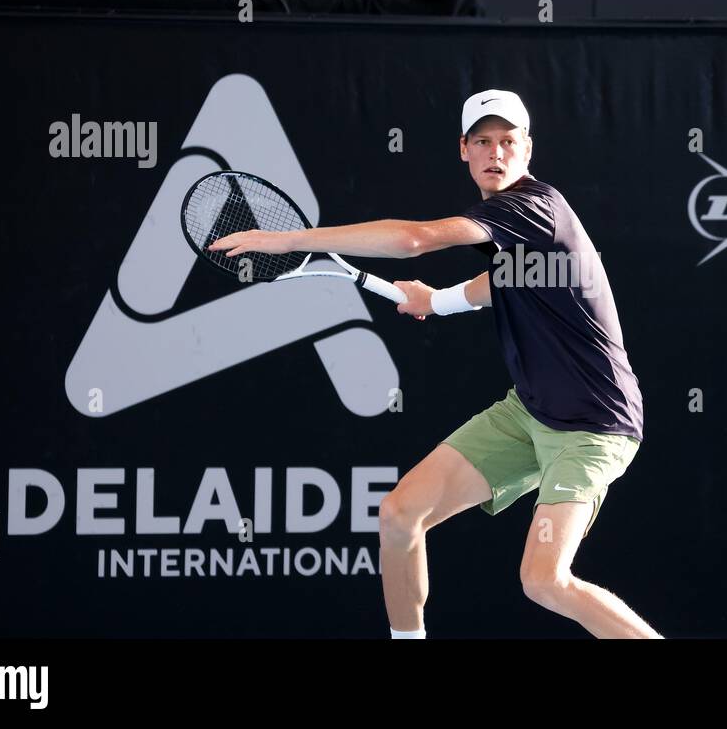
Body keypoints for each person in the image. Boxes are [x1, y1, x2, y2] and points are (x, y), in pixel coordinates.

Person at [209, 89, 657, 638]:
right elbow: (506, 281)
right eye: (484, 142)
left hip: (593, 425)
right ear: (464, 150)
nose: (497, 153)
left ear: (528, 149)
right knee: (400, 516)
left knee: (544, 579)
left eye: (509, 142)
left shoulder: (533, 206)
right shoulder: (520, 228)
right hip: (530, 413)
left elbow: (414, 240)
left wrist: (287, 240)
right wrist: (437, 301)